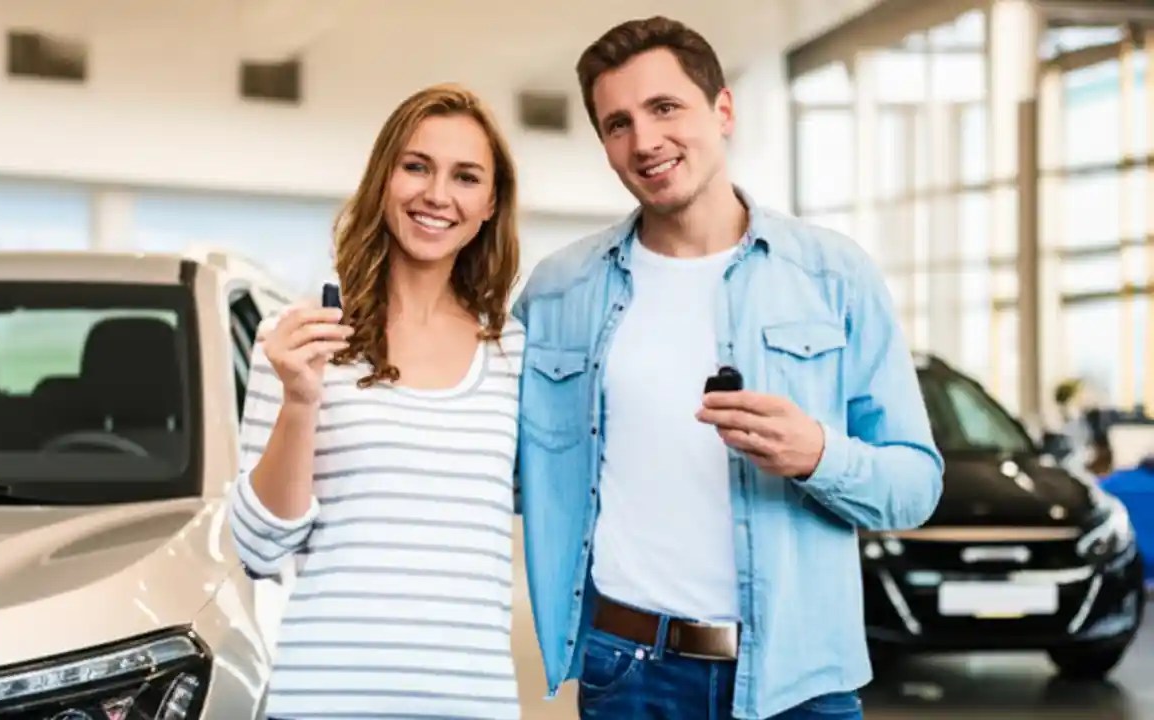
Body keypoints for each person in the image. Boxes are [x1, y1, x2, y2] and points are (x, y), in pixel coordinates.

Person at [511, 16, 944, 720]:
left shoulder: (833, 276)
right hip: (629, 675)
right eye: (616, 124)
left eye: (664, 108)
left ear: (723, 110)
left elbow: (916, 483)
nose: (644, 140)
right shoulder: (558, 293)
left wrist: (817, 455)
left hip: (800, 681)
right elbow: (496, 461)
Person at [228, 83, 524, 719]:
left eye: (465, 177)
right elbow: (257, 550)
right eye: (416, 166)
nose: (437, 194)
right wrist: (301, 400)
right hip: (323, 701)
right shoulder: (295, 339)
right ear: (383, 178)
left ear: (491, 203)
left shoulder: (514, 353)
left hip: (472, 705)